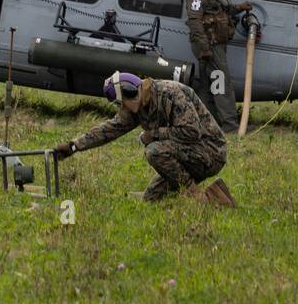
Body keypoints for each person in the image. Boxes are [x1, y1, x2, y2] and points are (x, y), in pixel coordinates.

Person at [53, 71, 234, 206]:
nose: (122, 108)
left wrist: (153, 135)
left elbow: (192, 131)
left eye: (121, 103)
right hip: (187, 153)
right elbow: (109, 129)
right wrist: (74, 146)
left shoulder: (171, 93)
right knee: (150, 199)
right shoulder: (136, 106)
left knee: (154, 151)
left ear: (131, 92)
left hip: (210, 152)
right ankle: (218, 197)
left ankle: (196, 197)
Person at [184, 0, 253, 132]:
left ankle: (204, 123)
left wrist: (239, 8)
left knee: (208, 86)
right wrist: (204, 48)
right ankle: (230, 126)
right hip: (210, 46)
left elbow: (222, 10)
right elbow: (194, 21)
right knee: (222, 84)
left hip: (215, 45)